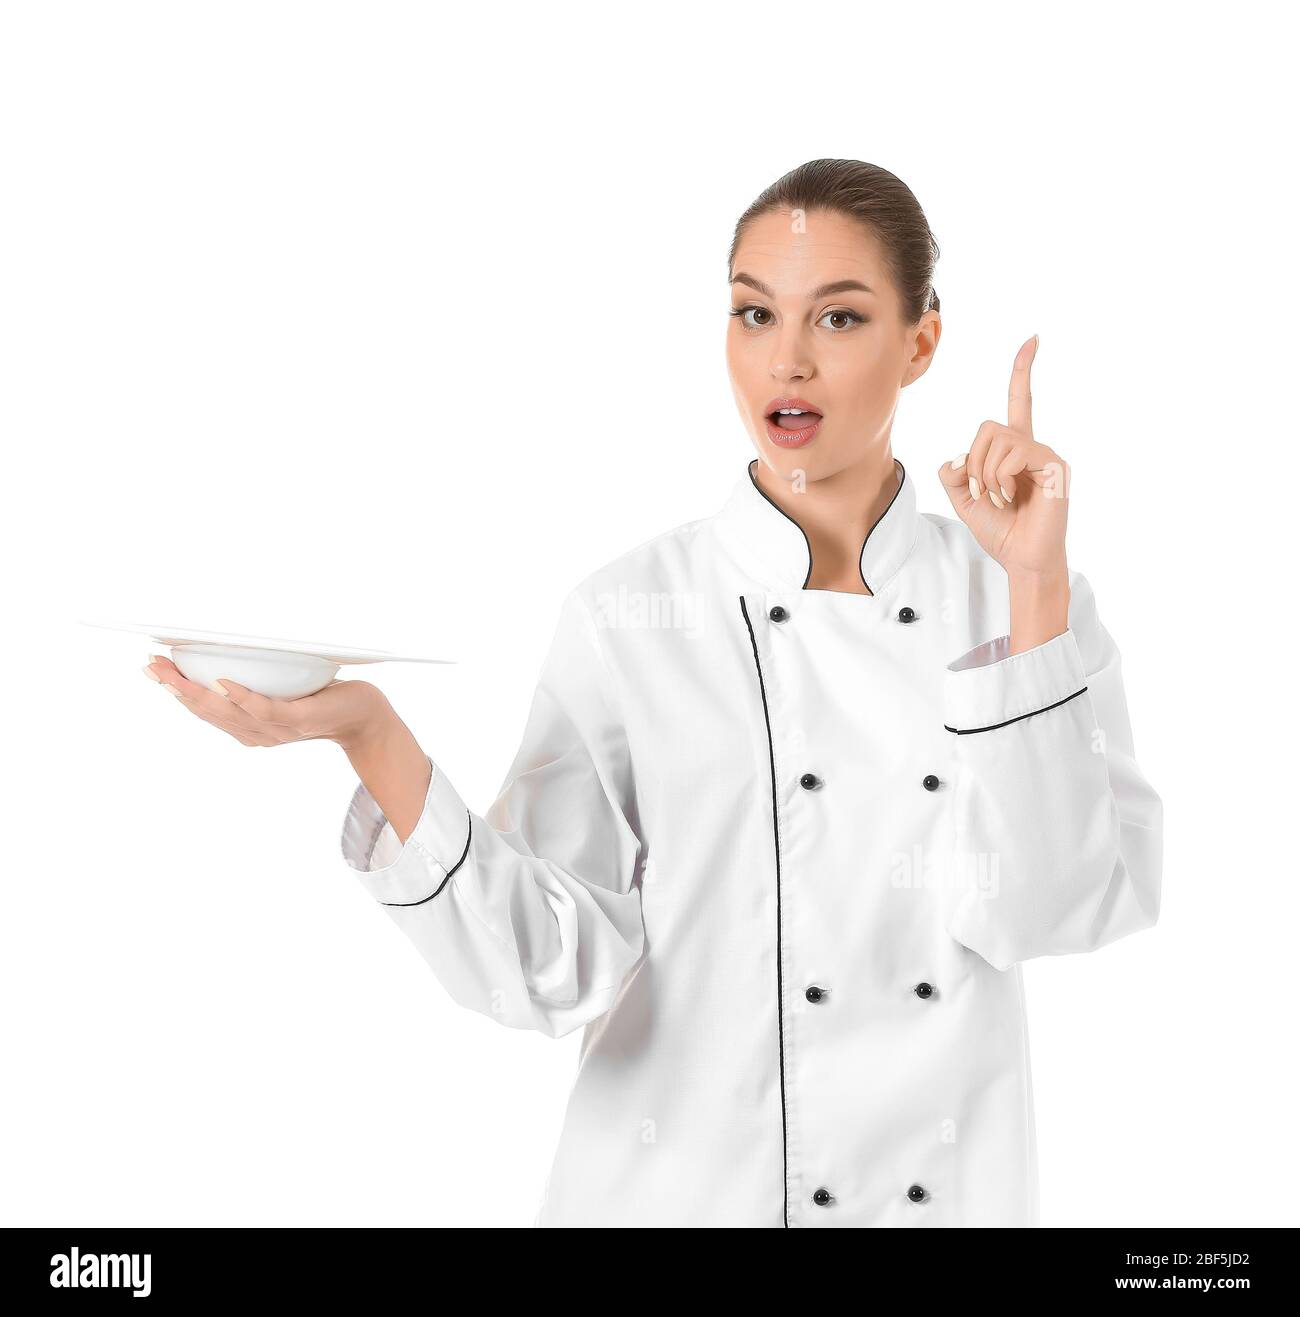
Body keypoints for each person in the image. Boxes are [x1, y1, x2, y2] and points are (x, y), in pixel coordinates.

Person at [144, 158, 1163, 1228]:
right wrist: (371, 734)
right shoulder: (631, 612)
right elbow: (545, 971)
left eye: (841, 318)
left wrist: (1035, 586)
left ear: (920, 343)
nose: (788, 361)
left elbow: (1058, 909)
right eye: (754, 313)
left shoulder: (1024, 604)